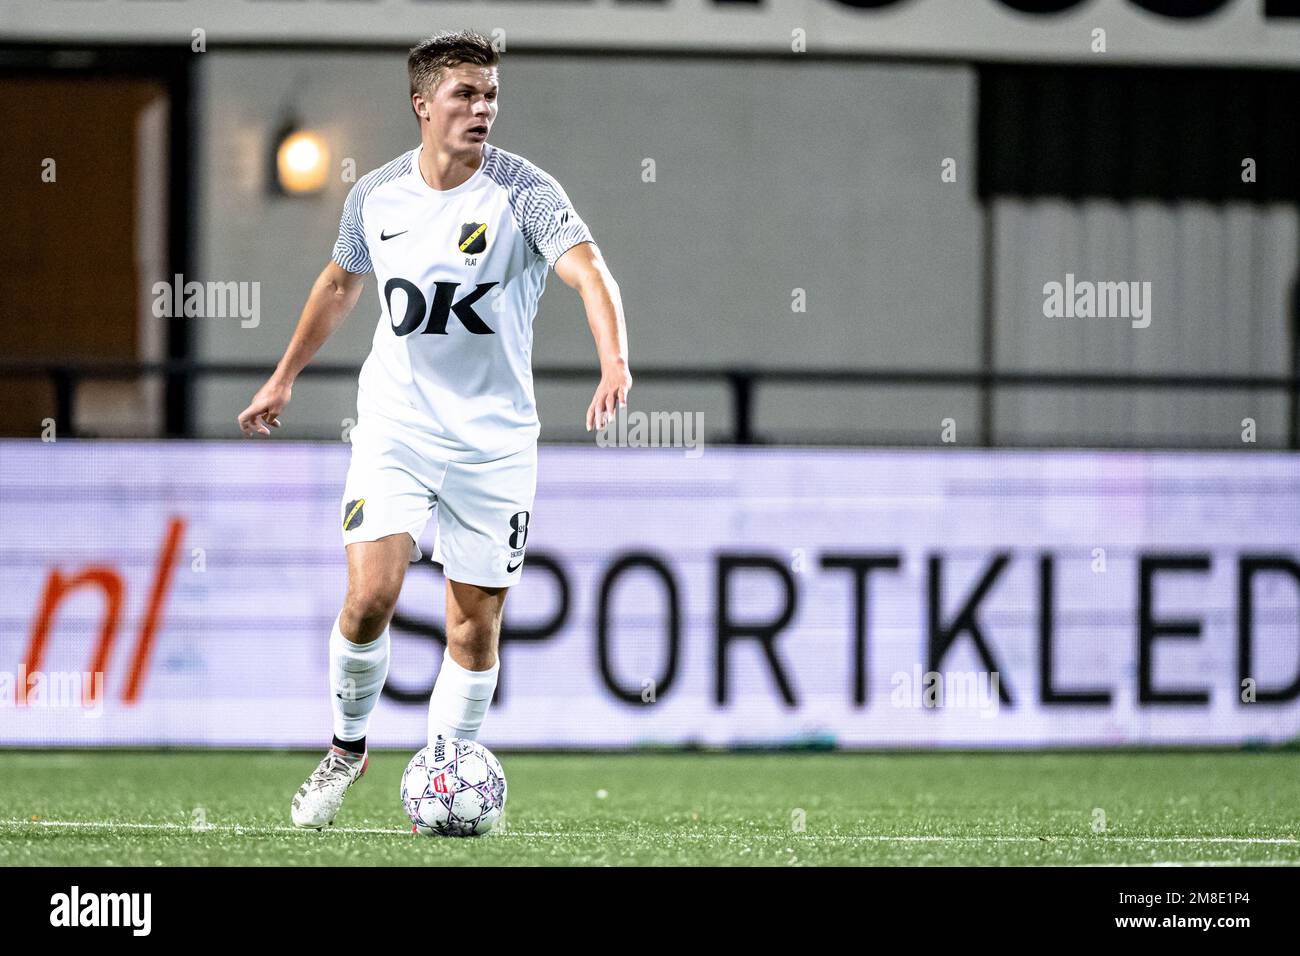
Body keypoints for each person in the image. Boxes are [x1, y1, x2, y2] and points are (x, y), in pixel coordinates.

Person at [236, 30, 631, 829]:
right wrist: (282, 378)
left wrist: (613, 362)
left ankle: (444, 779)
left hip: (494, 442)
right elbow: (339, 285)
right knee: (371, 595)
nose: (482, 109)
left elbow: (590, 270)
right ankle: (347, 748)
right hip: (397, 426)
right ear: (423, 105)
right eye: (465, 94)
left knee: (473, 625)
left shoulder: (526, 192)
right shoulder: (375, 197)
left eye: (490, 95)